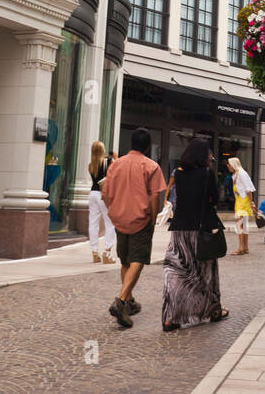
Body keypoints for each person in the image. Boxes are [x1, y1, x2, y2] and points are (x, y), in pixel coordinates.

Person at [101, 127, 166, 328]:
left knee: (125, 260)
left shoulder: (116, 164)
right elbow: (155, 195)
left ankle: (129, 301)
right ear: (147, 146)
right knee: (138, 259)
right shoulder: (151, 166)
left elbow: (105, 192)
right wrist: (153, 218)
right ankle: (120, 301)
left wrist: (114, 208)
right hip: (141, 218)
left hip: (119, 218)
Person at [162, 138, 228, 331]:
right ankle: (213, 310)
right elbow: (214, 199)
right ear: (202, 155)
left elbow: (176, 198)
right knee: (205, 272)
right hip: (200, 229)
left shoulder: (178, 173)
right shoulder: (207, 173)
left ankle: (170, 318)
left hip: (179, 229)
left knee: (177, 271)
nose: (211, 157)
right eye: (208, 153)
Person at [87, 142, 117, 264]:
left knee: (93, 223)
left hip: (92, 194)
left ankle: (95, 252)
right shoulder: (109, 162)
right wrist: (115, 157)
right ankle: (107, 253)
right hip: (104, 195)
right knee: (110, 223)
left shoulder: (91, 165)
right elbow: (115, 173)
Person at [228, 156, 255, 255]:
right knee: (243, 225)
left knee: (240, 224)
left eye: (229, 164)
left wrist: (251, 202)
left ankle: (241, 247)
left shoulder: (241, 174)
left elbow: (249, 189)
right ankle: (245, 247)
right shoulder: (236, 175)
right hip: (240, 201)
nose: (228, 166)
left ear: (233, 165)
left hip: (243, 202)